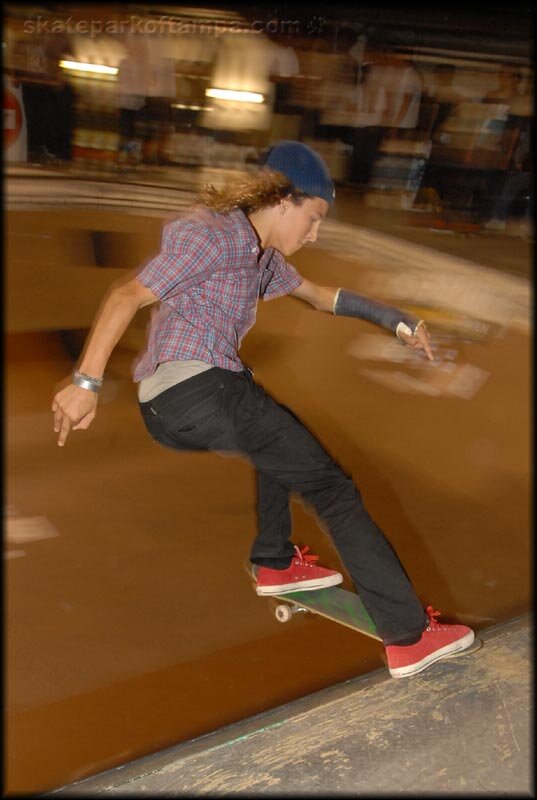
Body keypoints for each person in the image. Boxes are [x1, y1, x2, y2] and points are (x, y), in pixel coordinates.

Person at [51, 140, 475, 679]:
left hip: (185, 406)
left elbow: (323, 296)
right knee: (332, 490)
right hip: (196, 390)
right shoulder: (212, 235)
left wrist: (397, 319)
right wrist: (86, 380)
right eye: (313, 218)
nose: (316, 234)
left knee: (276, 435)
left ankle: (274, 561)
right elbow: (126, 294)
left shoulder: (262, 259)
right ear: (282, 201)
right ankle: (409, 635)